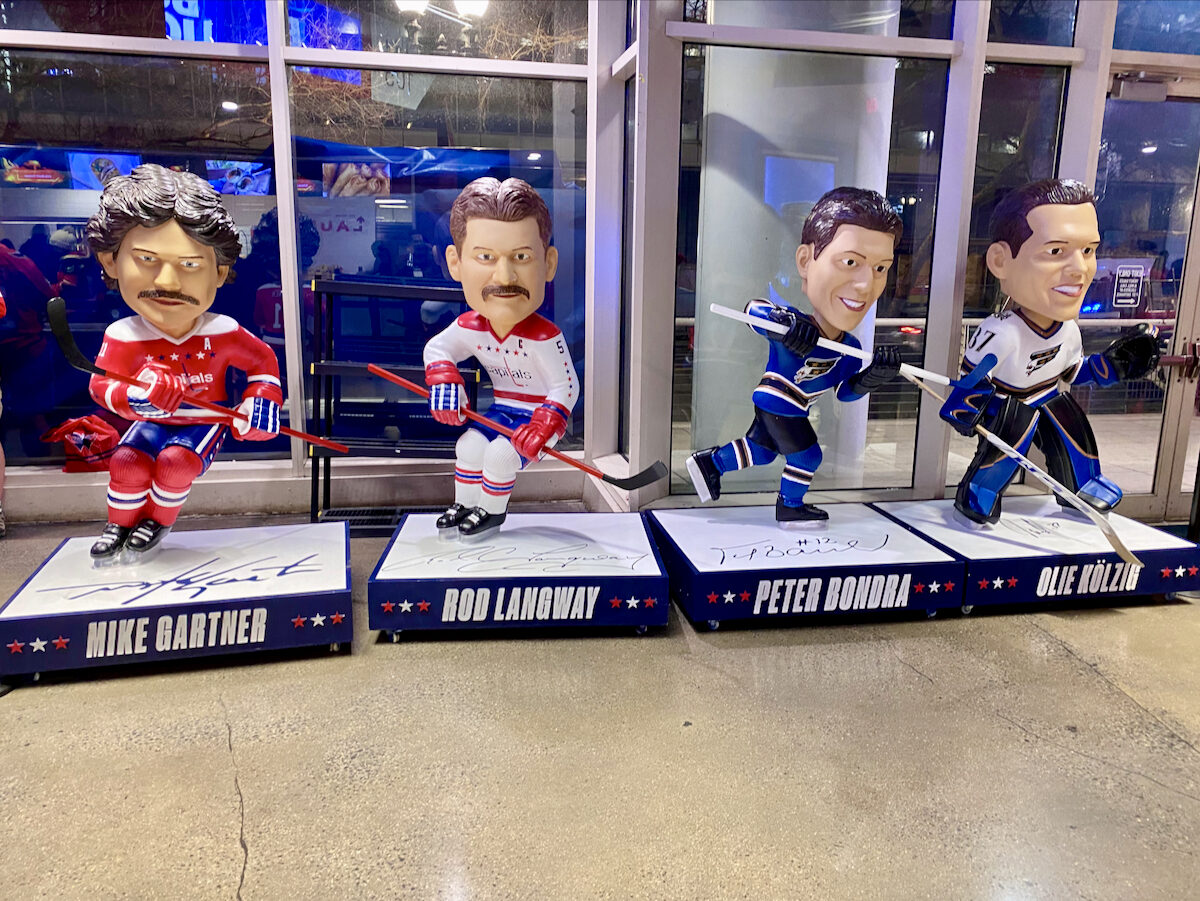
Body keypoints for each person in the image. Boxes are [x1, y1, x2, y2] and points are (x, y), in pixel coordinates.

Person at [84, 164, 283, 561]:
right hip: (152, 422)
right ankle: (119, 524)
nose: (169, 282)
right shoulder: (124, 334)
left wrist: (260, 402)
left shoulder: (223, 331)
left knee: (176, 463)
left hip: (202, 422)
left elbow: (263, 361)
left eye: (190, 264)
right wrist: (137, 396)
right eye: (147, 259)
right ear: (110, 261)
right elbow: (101, 385)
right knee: (125, 462)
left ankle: (156, 521)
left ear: (220, 271)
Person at [939, 178, 1160, 524]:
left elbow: (1073, 371)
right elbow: (973, 379)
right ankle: (981, 489)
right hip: (1009, 402)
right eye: (1056, 252)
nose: (1079, 269)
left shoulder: (1068, 329)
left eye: (1088, 251)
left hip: (1046, 394)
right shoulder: (1002, 332)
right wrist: (967, 407)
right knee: (1014, 433)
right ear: (1000, 261)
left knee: (1069, 420)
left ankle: (1082, 484)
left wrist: (1113, 365)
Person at [687, 186, 904, 523]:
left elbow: (844, 392)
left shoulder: (849, 348)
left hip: (788, 405)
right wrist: (785, 325)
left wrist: (871, 378)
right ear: (805, 261)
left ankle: (710, 463)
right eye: (850, 262)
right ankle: (789, 504)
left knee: (760, 451)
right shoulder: (797, 324)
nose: (865, 285)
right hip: (781, 402)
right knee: (807, 457)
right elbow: (754, 311)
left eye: (880, 269)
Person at [422, 176, 577, 538]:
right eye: (485, 257)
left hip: (536, 418)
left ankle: (491, 511)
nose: (505, 276)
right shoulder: (470, 326)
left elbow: (566, 387)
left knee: (500, 457)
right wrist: (444, 381)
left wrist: (543, 426)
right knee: (469, 446)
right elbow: (438, 348)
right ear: (455, 263)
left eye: (521, 257)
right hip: (502, 410)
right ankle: (465, 503)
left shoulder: (543, 336)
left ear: (548, 263)